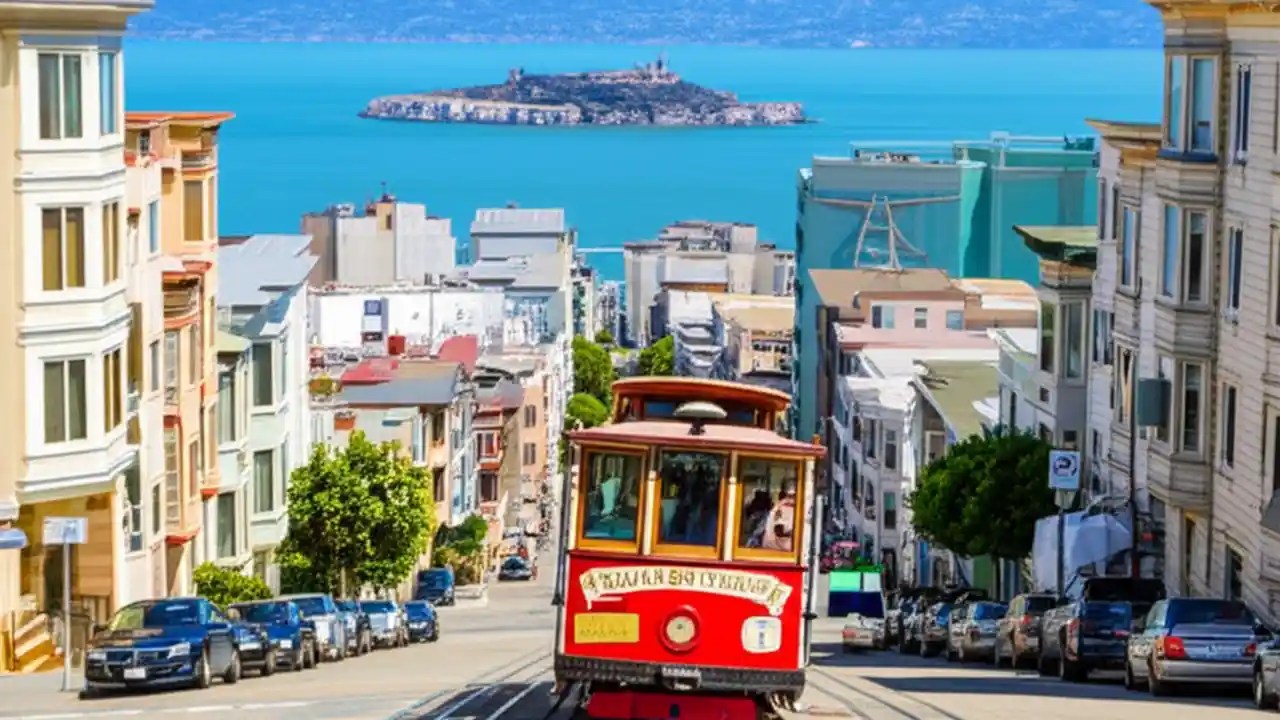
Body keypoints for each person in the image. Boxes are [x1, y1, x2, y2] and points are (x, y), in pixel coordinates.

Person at [761, 481, 796, 552]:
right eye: (791, 496)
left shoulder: (791, 507)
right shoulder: (782, 507)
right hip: (778, 549)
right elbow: (779, 529)